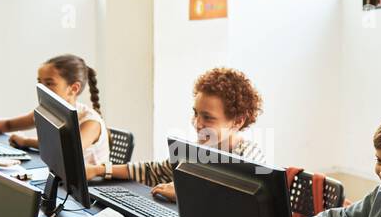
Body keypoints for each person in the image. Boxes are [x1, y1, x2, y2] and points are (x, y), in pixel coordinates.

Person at [91, 67, 264, 202]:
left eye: (208, 118)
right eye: (195, 113)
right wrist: (99, 169)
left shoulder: (249, 158)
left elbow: (234, 204)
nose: (197, 123)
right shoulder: (199, 148)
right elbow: (155, 172)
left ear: (238, 121)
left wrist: (185, 194)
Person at [0, 53, 109, 166]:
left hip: (91, 193)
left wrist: (26, 142)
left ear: (73, 89)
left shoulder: (91, 122)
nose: (42, 88)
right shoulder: (52, 110)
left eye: (49, 83)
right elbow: (9, 125)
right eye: (40, 82)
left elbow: (67, 151)